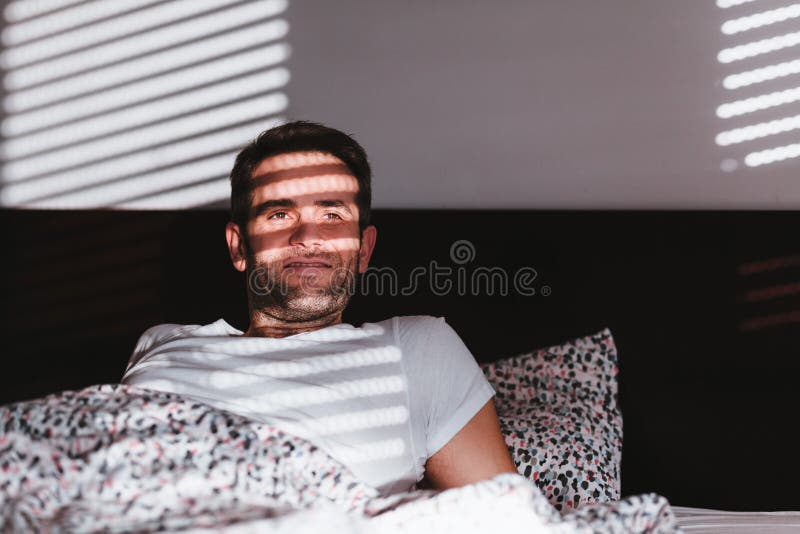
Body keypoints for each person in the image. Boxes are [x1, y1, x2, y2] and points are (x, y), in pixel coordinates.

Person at [122, 121, 518, 496]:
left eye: (332, 214)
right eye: (280, 214)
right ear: (239, 246)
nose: (308, 236)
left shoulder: (419, 348)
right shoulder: (162, 341)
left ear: (364, 250)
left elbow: (504, 518)